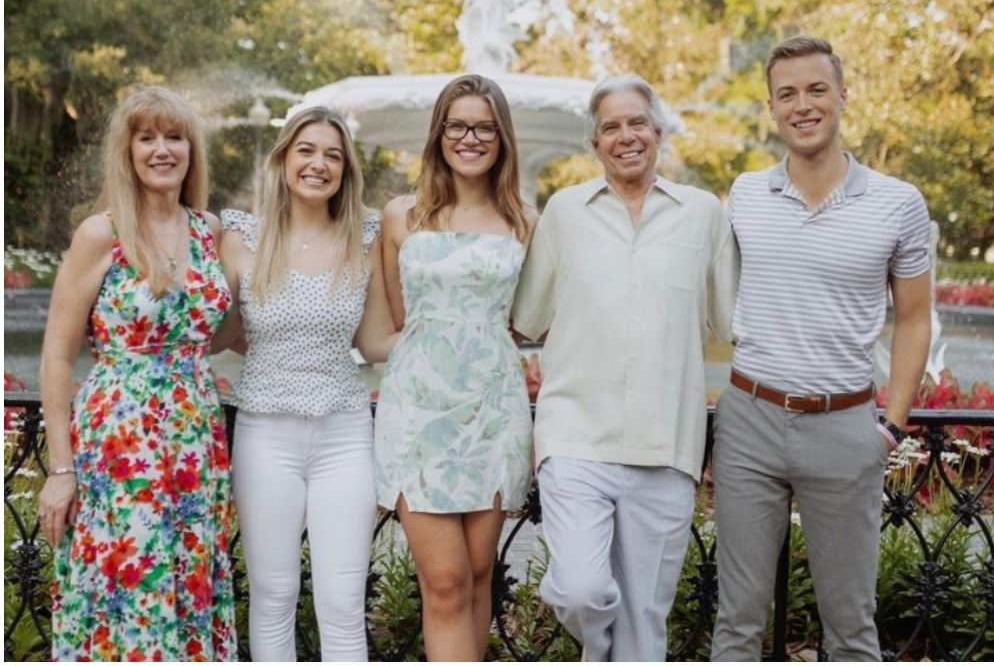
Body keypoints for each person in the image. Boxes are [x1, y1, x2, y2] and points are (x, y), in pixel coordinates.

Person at [709, 35, 932, 661]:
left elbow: (915, 319)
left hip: (844, 426)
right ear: (772, 108)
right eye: (787, 94)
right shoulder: (745, 194)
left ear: (842, 96)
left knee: (851, 626)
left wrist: (889, 427)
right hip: (749, 422)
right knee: (737, 622)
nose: (802, 105)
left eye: (816, 90)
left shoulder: (898, 202)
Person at [511, 74, 738, 662]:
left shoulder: (702, 215)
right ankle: (601, 649)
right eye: (610, 127)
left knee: (645, 622)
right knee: (581, 589)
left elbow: (734, 321)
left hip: (666, 445)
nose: (626, 135)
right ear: (595, 144)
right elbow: (526, 318)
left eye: (637, 122)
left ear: (658, 132)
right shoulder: (565, 212)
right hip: (574, 438)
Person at [36, 85, 237, 660]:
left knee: (188, 575)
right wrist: (60, 469)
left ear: (191, 150)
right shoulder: (102, 233)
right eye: (146, 138)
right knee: (128, 578)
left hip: (194, 435)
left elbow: (219, 332)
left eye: (174, 137)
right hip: (122, 439)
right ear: (127, 152)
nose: (161, 150)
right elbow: (55, 356)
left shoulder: (209, 230)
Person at [216, 106, 397, 661]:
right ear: (282, 159)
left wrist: (461, 331)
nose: (319, 164)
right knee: (273, 595)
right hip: (264, 435)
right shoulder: (241, 238)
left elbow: (375, 342)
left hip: (344, 434)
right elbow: (218, 332)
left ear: (345, 170)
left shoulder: (365, 238)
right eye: (307, 151)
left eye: (332, 156)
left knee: (342, 602)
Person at [374, 73, 536, 662]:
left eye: (485, 128)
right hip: (420, 412)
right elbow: (391, 324)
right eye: (458, 126)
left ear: (502, 137)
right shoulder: (402, 216)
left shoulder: (525, 221)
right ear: (439, 133)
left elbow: (533, 318)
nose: (471, 138)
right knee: (444, 582)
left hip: (493, 412)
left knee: (476, 574)